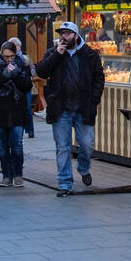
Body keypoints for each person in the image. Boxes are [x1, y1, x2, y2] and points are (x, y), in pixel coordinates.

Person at [36, 21, 105, 197]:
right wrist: (57, 55)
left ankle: (83, 167)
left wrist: (94, 100)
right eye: (61, 34)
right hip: (61, 109)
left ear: (76, 36)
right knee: (62, 147)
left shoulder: (89, 54)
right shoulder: (54, 52)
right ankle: (65, 183)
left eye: (67, 34)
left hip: (83, 108)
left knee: (87, 144)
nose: (63, 37)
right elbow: (41, 71)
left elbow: (99, 78)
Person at [0, 40, 33, 189]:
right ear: (1, 54)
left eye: (12, 56)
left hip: (17, 110)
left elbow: (27, 86)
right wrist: (4, 76)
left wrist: (16, 74)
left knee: (17, 145)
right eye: (6, 56)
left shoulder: (23, 65)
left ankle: (18, 175)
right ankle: (6, 175)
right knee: (2, 146)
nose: (9, 59)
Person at [7, 37, 36, 138]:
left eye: (16, 45)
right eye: (12, 45)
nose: (15, 47)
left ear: (19, 46)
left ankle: (30, 130)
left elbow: (33, 70)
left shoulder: (25, 58)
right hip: (12, 88)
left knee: (27, 108)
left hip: (25, 87)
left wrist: (29, 75)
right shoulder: (7, 57)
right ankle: (18, 129)